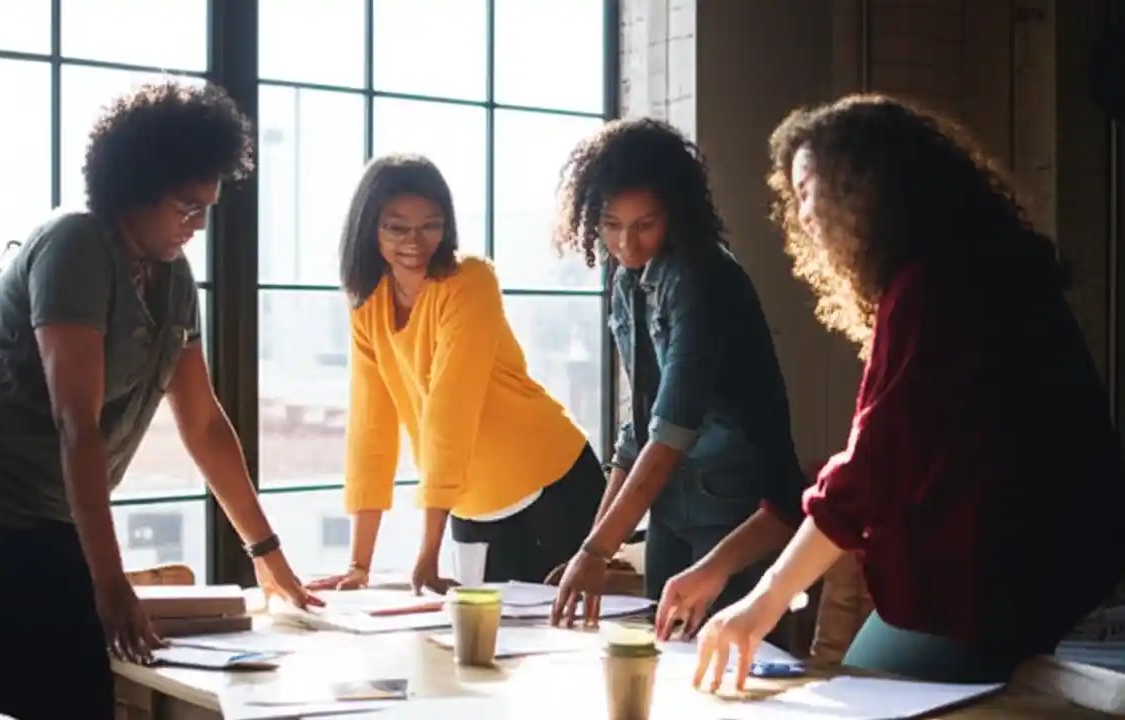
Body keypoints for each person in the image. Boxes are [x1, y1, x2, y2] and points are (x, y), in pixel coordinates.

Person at [0, 80, 322, 719]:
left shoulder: (174, 280)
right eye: (187, 206)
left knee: (85, 697)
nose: (201, 224)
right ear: (135, 187)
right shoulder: (75, 246)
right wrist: (108, 581)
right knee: (56, 702)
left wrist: (267, 554)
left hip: (50, 520)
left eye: (209, 206)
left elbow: (205, 424)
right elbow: (78, 424)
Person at [687, 94, 1125, 691]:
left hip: (1008, 569)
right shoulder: (975, 263)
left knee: (866, 686)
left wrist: (762, 602)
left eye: (810, 188)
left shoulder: (933, 284)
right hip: (1054, 553)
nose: (803, 212)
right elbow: (879, 458)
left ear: (866, 184)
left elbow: (874, 465)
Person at [546, 117, 806, 631]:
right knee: (662, 661)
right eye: (611, 224)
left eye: (645, 224)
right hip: (670, 508)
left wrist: (597, 550)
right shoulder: (627, 282)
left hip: (736, 506)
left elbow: (670, 431)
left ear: (678, 213)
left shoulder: (701, 276)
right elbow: (637, 430)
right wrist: (596, 546)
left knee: (728, 675)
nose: (627, 244)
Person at [309, 153, 604, 595]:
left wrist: (427, 552)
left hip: (551, 483)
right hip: (469, 505)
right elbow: (372, 429)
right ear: (369, 227)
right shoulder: (367, 304)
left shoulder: (469, 281)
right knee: (482, 649)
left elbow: (451, 411)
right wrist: (358, 563)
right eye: (396, 226)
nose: (416, 241)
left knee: (564, 643)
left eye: (431, 223)